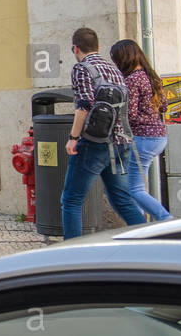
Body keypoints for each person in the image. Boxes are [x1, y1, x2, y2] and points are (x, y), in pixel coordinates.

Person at [60, 27, 146, 239]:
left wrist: (73, 138)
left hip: (95, 144)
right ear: (98, 47)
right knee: (122, 199)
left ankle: (71, 254)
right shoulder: (114, 69)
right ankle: (150, 240)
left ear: (75, 48)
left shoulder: (82, 69)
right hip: (121, 143)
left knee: (72, 199)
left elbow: (84, 105)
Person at [109, 39, 172, 222]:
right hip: (158, 137)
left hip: (142, 138)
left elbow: (130, 115)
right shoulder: (151, 76)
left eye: (116, 59)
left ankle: (166, 220)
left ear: (123, 58)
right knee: (136, 186)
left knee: (133, 189)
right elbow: (164, 107)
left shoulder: (132, 80)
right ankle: (138, 227)